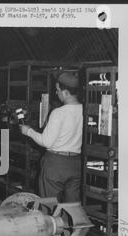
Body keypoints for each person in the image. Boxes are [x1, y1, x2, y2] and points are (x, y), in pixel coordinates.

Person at [19, 72, 83, 203]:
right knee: (72, 206)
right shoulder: (85, 110)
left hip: (55, 164)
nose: (56, 93)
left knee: (50, 205)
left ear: (65, 92)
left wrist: (28, 131)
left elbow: (46, 141)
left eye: (58, 90)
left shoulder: (58, 113)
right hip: (76, 164)